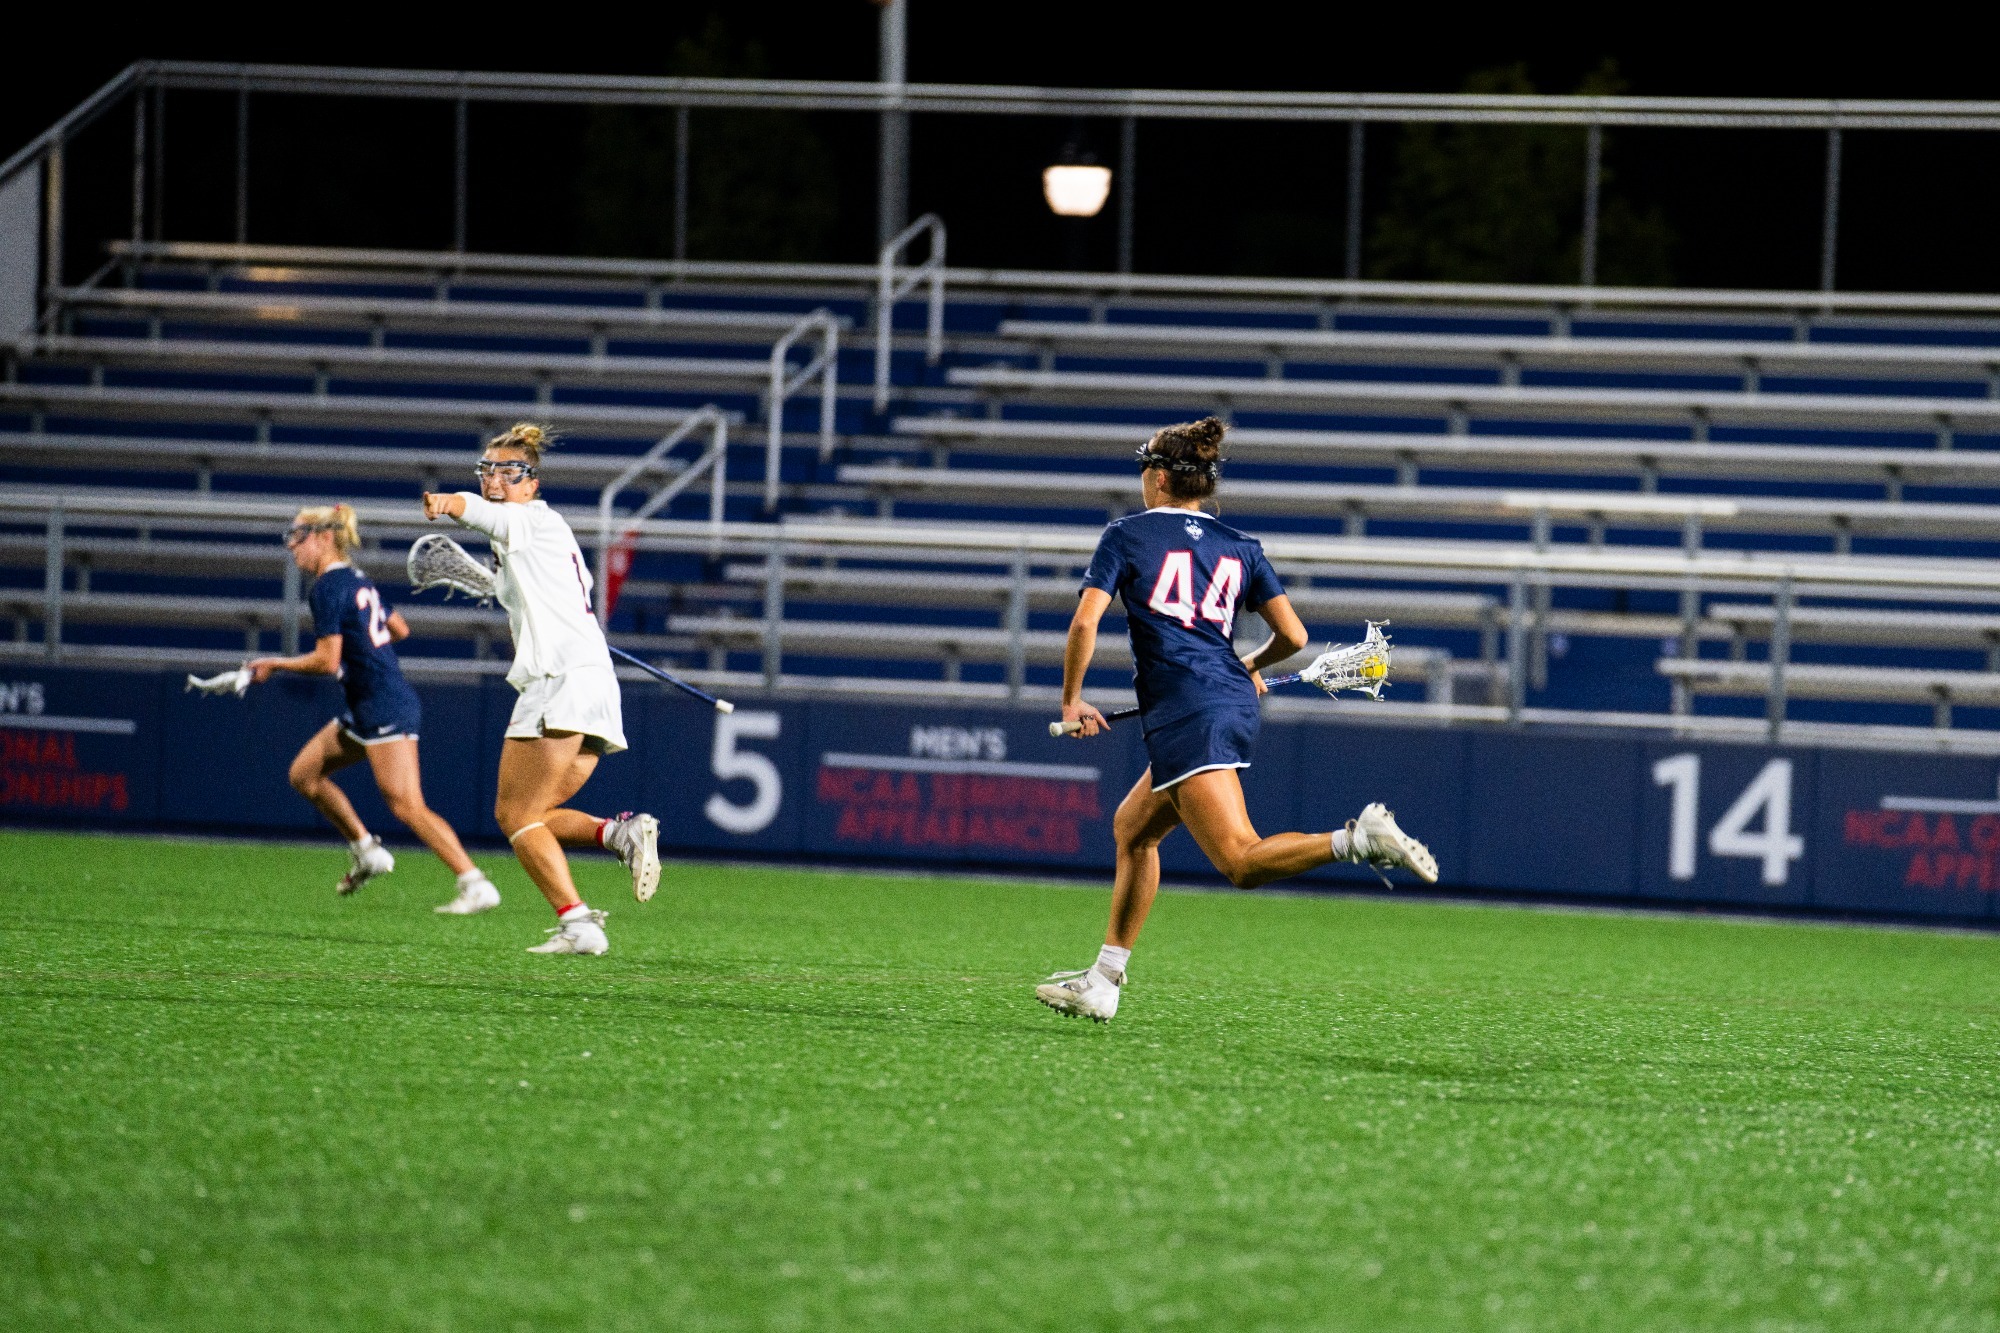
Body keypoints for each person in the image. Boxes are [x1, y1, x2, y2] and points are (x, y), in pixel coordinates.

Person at [1040, 417, 1439, 1023]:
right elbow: (1294, 635)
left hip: (1189, 708)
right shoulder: (1240, 545)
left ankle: (1356, 839)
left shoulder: (1124, 535)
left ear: (1156, 478)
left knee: (1240, 860)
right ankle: (1103, 978)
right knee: (1135, 829)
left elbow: (1084, 623)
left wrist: (1072, 701)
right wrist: (1246, 664)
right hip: (1222, 699)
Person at [420, 422, 661, 956]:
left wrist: (449, 502)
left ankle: (579, 924)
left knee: (514, 816)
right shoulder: (531, 538)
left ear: (532, 483)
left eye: (511, 472)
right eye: (488, 470)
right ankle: (617, 835)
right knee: (538, 815)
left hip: (560, 683)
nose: (496, 479)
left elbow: (481, 513)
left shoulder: (527, 519)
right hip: (593, 682)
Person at [248, 504, 503, 914]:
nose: (292, 545)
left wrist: (275, 663)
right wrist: (366, 654)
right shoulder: (355, 578)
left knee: (407, 805)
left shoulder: (328, 587)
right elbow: (399, 628)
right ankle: (366, 850)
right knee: (305, 775)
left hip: (384, 704)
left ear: (324, 537)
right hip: (367, 705)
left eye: (298, 535)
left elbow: (327, 661)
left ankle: (475, 882)